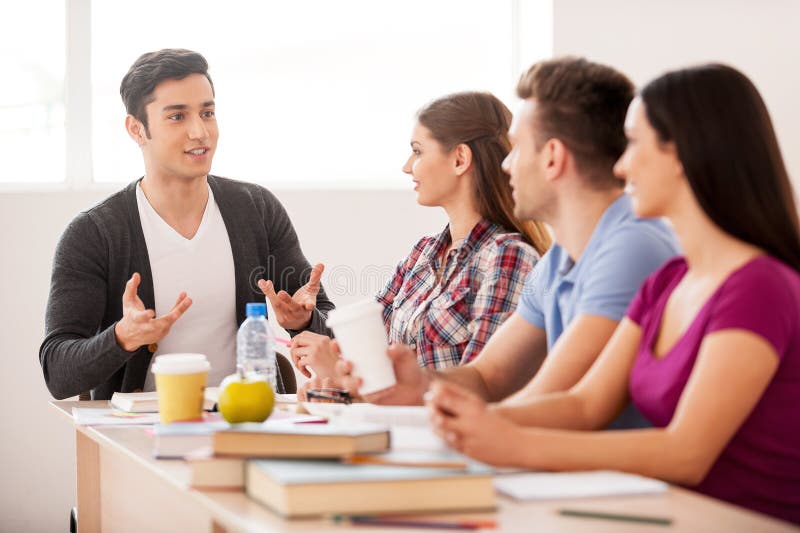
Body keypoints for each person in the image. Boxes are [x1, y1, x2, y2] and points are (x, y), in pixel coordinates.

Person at [428, 64, 800, 524]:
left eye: (635, 144)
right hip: (664, 514)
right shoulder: (667, 283)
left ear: (682, 152)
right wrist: (462, 421)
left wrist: (515, 441)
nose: (621, 165)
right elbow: (584, 404)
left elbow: (686, 452)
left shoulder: (758, 286)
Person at [308, 58, 678, 424]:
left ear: (552, 157)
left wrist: (443, 408)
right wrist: (418, 385)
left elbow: (567, 405)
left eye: (517, 148)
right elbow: (487, 376)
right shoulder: (558, 262)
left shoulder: (630, 248)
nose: (505, 164)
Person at [39, 49, 334, 399]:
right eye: (177, 116)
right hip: (140, 433)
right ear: (137, 129)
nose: (200, 132)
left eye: (207, 113)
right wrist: (122, 337)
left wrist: (304, 322)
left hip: (249, 421)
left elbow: (325, 322)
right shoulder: (93, 234)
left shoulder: (256, 208)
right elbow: (57, 371)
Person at [290, 92, 550, 379]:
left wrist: (340, 379)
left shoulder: (507, 256)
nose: (406, 166)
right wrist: (312, 332)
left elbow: (480, 387)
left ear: (460, 159)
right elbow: (366, 347)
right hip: (393, 421)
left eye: (418, 151)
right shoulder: (423, 253)